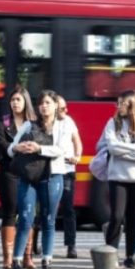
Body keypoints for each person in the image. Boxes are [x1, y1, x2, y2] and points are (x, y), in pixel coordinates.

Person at [8, 90, 71, 269]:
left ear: (56, 106)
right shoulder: (29, 125)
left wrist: (39, 148)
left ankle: (46, 261)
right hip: (29, 176)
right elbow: (11, 148)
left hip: (52, 176)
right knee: (25, 219)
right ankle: (16, 261)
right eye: (41, 103)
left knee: (48, 220)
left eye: (48, 103)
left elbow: (61, 149)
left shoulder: (64, 125)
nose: (44, 107)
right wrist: (18, 147)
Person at [102, 90, 135, 269]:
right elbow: (112, 147)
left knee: (133, 217)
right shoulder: (112, 123)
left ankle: (131, 256)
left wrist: (124, 151)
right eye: (118, 103)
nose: (118, 107)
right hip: (118, 177)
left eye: (122, 103)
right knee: (117, 216)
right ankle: (110, 255)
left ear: (133, 105)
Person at [0, 86, 36, 269]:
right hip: (8, 171)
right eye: (12, 100)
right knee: (10, 211)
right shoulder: (3, 122)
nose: (15, 103)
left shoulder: (34, 123)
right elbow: (1, 143)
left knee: (28, 212)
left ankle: (27, 257)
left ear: (26, 101)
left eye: (18, 99)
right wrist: (16, 148)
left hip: (29, 172)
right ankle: (8, 258)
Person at [55, 94, 83, 259]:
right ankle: (36, 243)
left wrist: (77, 156)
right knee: (46, 209)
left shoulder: (69, 121)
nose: (66, 111)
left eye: (66, 108)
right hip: (51, 169)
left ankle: (71, 246)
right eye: (62, 108)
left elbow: (77, 141)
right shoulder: (47, 123)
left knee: (68, 208)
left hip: (67, 169)